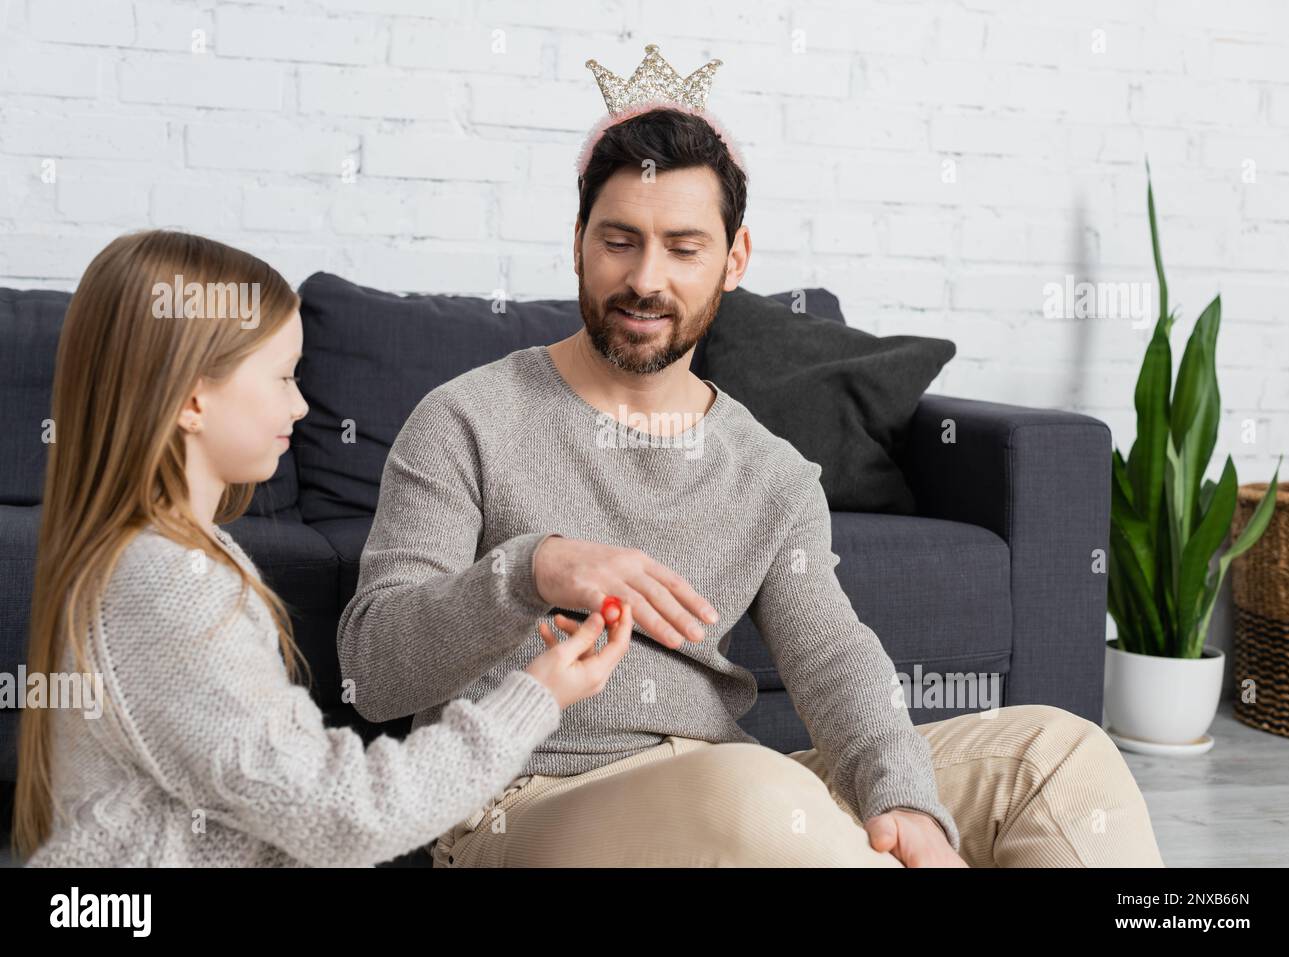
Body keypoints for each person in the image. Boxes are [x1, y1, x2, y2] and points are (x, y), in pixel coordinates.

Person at [338, 45, 1166, 868]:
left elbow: (835, 657)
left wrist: (902, 796)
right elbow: (372, 669)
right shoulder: (464, 419)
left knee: (1063, 756)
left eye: (684, 246)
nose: (646, 278)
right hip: (524, 801)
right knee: (749, 793)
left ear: (734, 259)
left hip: (724, 783)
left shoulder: (767, 470)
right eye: (620, 240)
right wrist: (530, 571)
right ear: (580, 242)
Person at [13, 229, 632, 867]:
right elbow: (350, 816)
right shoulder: (171, 583)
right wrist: (537, 696)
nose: (302, 403)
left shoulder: (158, 558)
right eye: (283, 377)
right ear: (193, 399)